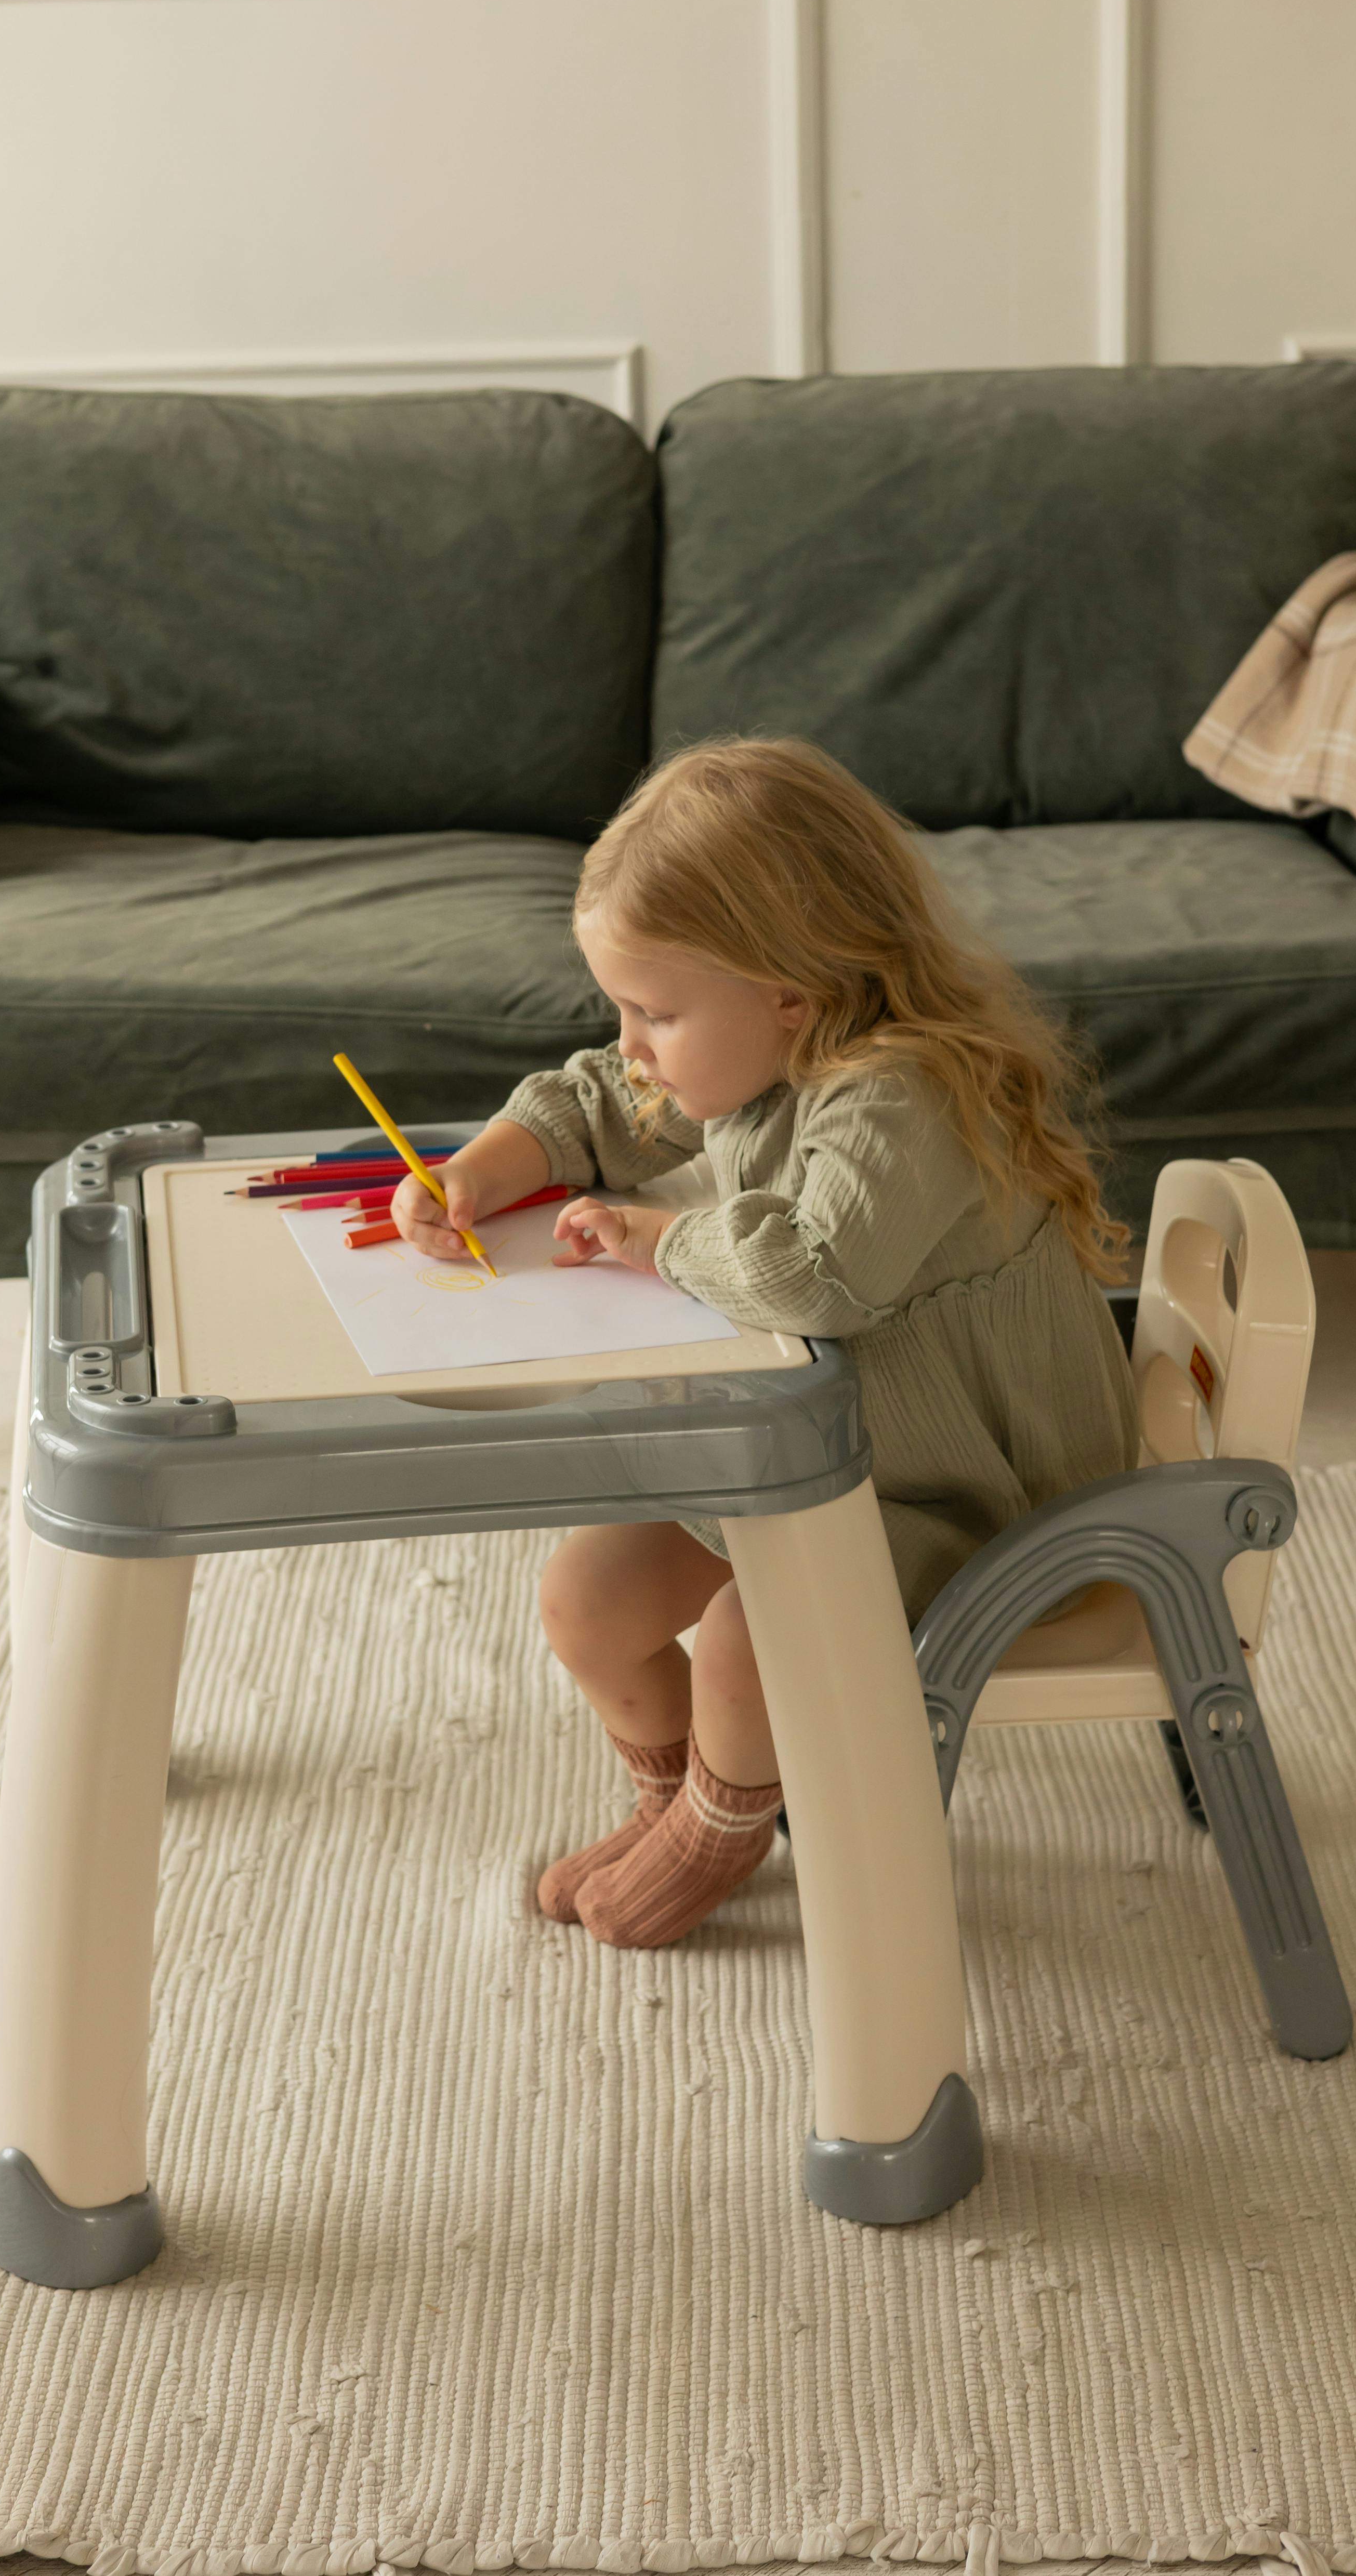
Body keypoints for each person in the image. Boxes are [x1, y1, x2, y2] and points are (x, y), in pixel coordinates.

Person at [393, 737, 1139, 1950]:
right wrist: (481, 1168)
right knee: (586, 1599)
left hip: (987, 1498)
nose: (631, 1041)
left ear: (789, 990)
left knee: (753, 1631)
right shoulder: (753, 1048)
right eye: (621, 1006)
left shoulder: (908, 1098)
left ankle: (721, 1829)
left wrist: (651, 1238)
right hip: (832, 1457)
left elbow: (815, 1270)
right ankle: (678, 1794)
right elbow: (598, 1098)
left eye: (653, 1011)